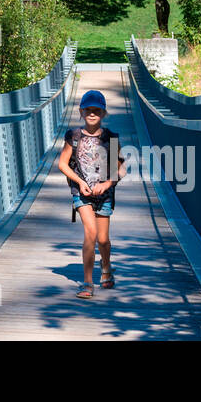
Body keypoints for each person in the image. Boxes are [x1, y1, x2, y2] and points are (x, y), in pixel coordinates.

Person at [57, 89, 124, 299]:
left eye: (97, 110)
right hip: (81, 193)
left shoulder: (110, 138)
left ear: (103, 113)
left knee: (103, 239)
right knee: (91, 234)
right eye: (88, 110)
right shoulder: (73, 137)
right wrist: (79, 182)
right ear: (81, 112)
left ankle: (106, 267)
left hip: (104, 194)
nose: (92, 114)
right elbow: (62, 164)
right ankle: (87, 282)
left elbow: (120, 168)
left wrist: (107, 184)